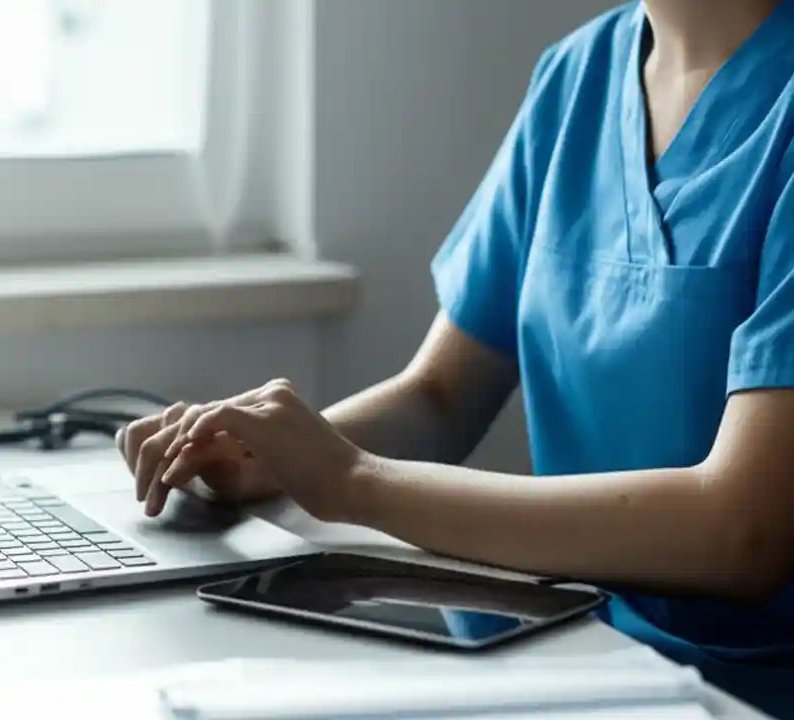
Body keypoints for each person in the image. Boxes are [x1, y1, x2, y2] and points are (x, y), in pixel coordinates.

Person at [116, 1, 794, 715]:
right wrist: (267, 452)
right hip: (573, 654)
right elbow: (441, 395)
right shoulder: (579, 75)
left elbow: (740, 531)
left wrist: (355, 481)